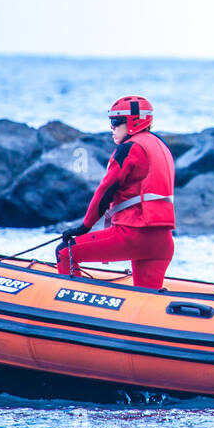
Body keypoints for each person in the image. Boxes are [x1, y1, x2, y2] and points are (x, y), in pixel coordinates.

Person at [57, 95, 176, 289]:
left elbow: (104, 193)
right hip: (163, 242)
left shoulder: (129, 149)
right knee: (145, 301)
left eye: (115, 122)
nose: (111, 127)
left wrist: (84, 227)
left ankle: (71, 308)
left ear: (132, 122)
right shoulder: (161, 146)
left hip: (133, 236)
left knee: (65, 252)